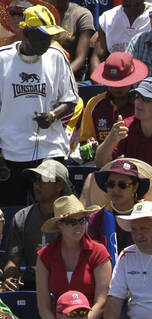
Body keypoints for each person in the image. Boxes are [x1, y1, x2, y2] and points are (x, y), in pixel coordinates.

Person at [0, 5, 77, 206]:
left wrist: (52, 116)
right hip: (11, 153)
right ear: (25, 33)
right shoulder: (3, 58)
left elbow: (71, 100)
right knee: (10, 212)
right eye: (41, 37)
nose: (46, 43)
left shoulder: (57, 56)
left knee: (52, 208)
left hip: (49, 151)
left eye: (49, 38)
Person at [93, 75, 152, 185]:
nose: (138, 102)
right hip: (129, 193)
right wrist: (111, 140)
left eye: (146, 99)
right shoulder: (126, 126)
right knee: (91, 179)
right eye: (137, 96)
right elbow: (100, 164)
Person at [35, 196, 111, 319]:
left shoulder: (98, 252)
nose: (78, 226)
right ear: (59, 224)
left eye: (82, 220)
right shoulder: (45, 255)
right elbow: (43, 307)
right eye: (71, 222)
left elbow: (102, 302)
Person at [0, 162, 70, 291]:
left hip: (67, 284)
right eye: (35, 179)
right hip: (32, 284)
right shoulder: (22, 217)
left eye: (43, 179)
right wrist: (10, 277)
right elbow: (14, 261)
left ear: (59, 185)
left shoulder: (73, 218)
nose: (37, 185)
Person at [78, 52, 148, 152]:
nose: (117, 88)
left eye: (122, 83)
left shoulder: (143, 105)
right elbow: (83, 149)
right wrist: (91, 147)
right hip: (102, 164)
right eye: (113, 83)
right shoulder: (93, 105)